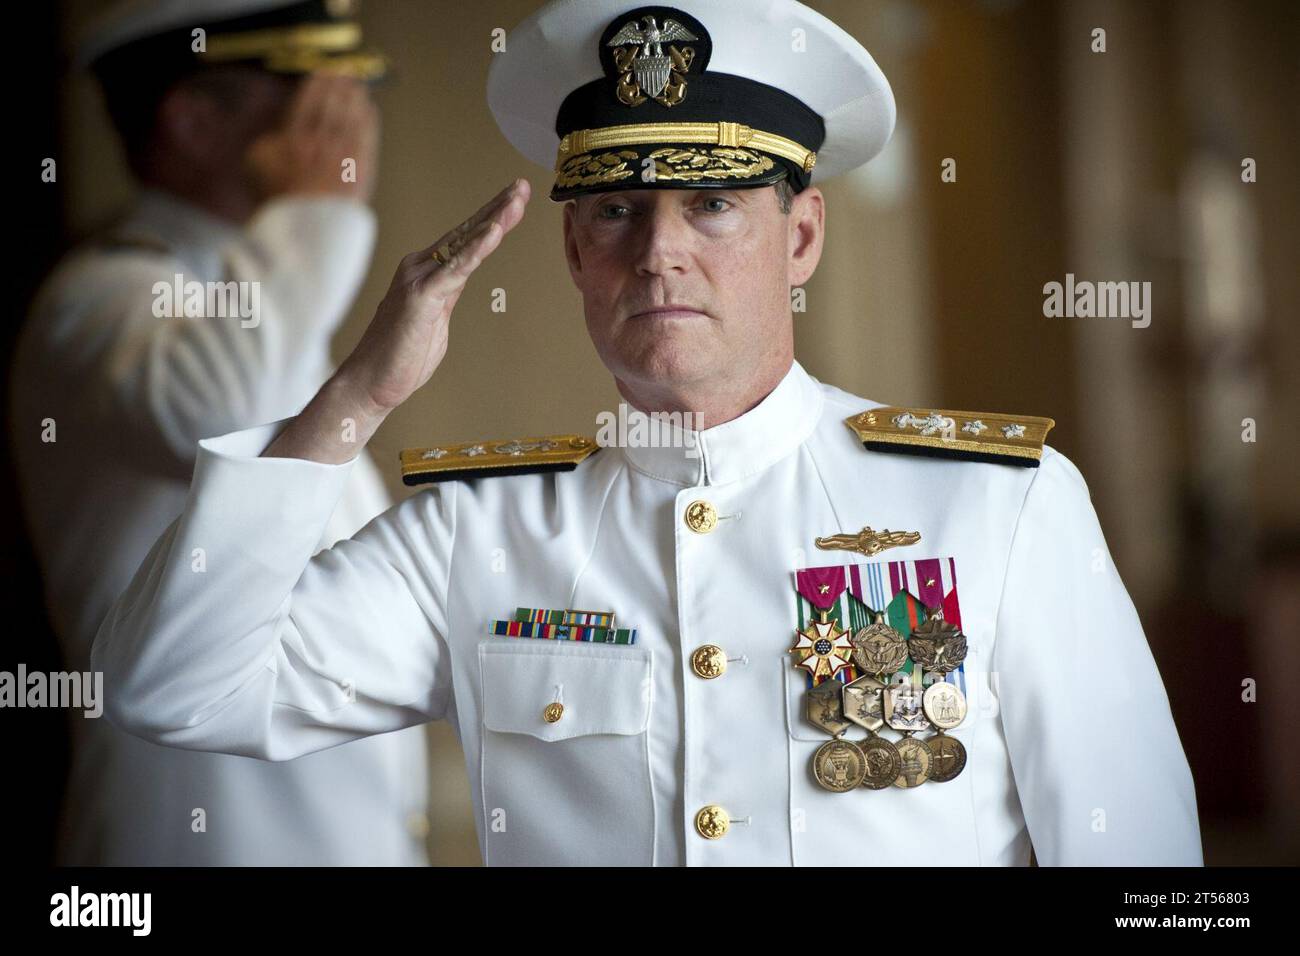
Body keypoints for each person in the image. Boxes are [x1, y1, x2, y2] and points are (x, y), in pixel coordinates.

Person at [91, 0, 1203, 865]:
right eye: (615, 210)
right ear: (575, 254)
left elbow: (1138, 857)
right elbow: (172, 685)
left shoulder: (999, 499)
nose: (658, 250)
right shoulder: (476, 530)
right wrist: (352, 401)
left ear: (802, 235)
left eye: (711, 203)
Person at [11, 0, 430, 865]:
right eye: (316, 101)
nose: (351, 126)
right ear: (195, 120)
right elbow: (228, 420)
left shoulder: (260, 299)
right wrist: (313, 212)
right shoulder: (98, 300)